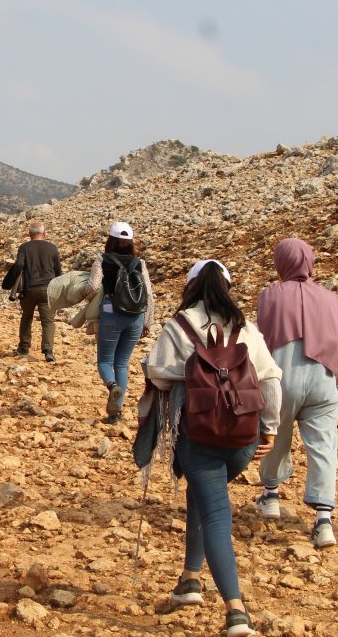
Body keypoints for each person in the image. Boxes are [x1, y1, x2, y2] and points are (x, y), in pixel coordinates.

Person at [137, 260, 282, 637]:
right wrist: (270, 432)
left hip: (199, 435)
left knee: (215, 511)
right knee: (203, 497)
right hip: (242, 440)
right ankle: (189, 580)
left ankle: (235, 611)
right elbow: (270, 382)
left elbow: (157, 373)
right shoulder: (244, 325)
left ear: (192, 286)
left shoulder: (181, 324)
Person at [255, 238, 338, 549]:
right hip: (323, 380)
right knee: (324, 447)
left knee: (276, 435)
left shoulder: (270, 295)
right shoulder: (330, 298)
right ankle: (324, 521)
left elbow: (259, 340)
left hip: (283, 379)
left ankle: (271, 495)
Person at [81, 222, 155, 423]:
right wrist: (147, 323)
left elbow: (93, 287)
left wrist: (86, 298)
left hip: (111, 313)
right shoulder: (139, 262)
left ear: (110, 240)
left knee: (105, 361)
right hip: (136, 317)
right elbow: (148, 294)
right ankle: (116, 413)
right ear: (131, 242)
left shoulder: (103, 259)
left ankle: (112, 386)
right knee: (122, 363)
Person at [12, 222, 62, 362]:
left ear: (30, 234)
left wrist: (15, 278)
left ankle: (23, 348)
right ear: (44, 233)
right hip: (48, 289)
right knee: (48, 321)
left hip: (29, 288)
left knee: (27, 317)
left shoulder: (24, 247)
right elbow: (58, 270)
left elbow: (20, 264)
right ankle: (48, 351)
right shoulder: (52, 248)